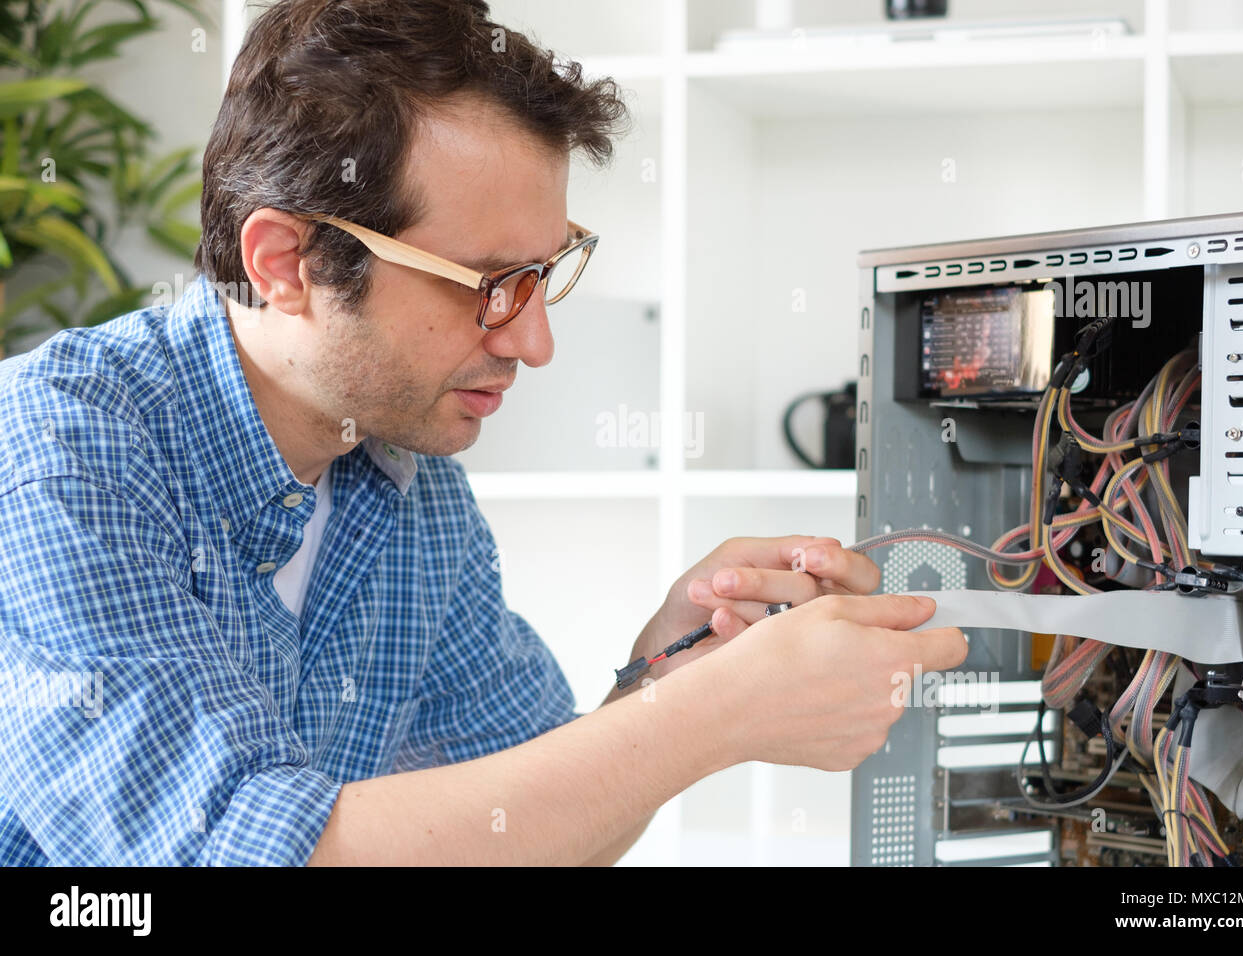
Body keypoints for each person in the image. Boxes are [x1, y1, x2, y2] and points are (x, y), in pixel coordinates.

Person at [0, 0, 966, 866]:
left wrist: (663, 680)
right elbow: (229, 855)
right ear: (285, 261)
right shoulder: (55, 452)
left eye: (544, 278)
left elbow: (532, 838)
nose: (535, 343)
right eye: (487, 286)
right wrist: (709, 718)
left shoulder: (403, 476)